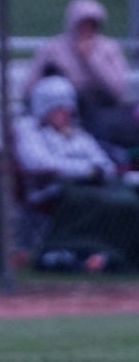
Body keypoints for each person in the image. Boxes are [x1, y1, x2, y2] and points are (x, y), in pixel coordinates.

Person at [15, 74, 139, 272]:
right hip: (50, 191)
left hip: (87, 191)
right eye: (57, 108)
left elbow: (103, 163)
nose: (64, 113)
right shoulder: (29, 129)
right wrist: (84, 170)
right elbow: (37, 162)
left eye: (67, 108)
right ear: (43, 107)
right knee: (119, 203)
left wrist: (94, 171)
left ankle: (116, 254)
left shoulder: (75, 134)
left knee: (127, 200)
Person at [31, 0, 139, 153]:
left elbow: (117, 90)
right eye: (82, 24)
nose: (86, 29)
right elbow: (29, 89)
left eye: (92, 24)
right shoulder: (53, 49)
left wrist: (90, 59)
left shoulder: (109, 49)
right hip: (60, 112)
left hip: (101, 110)